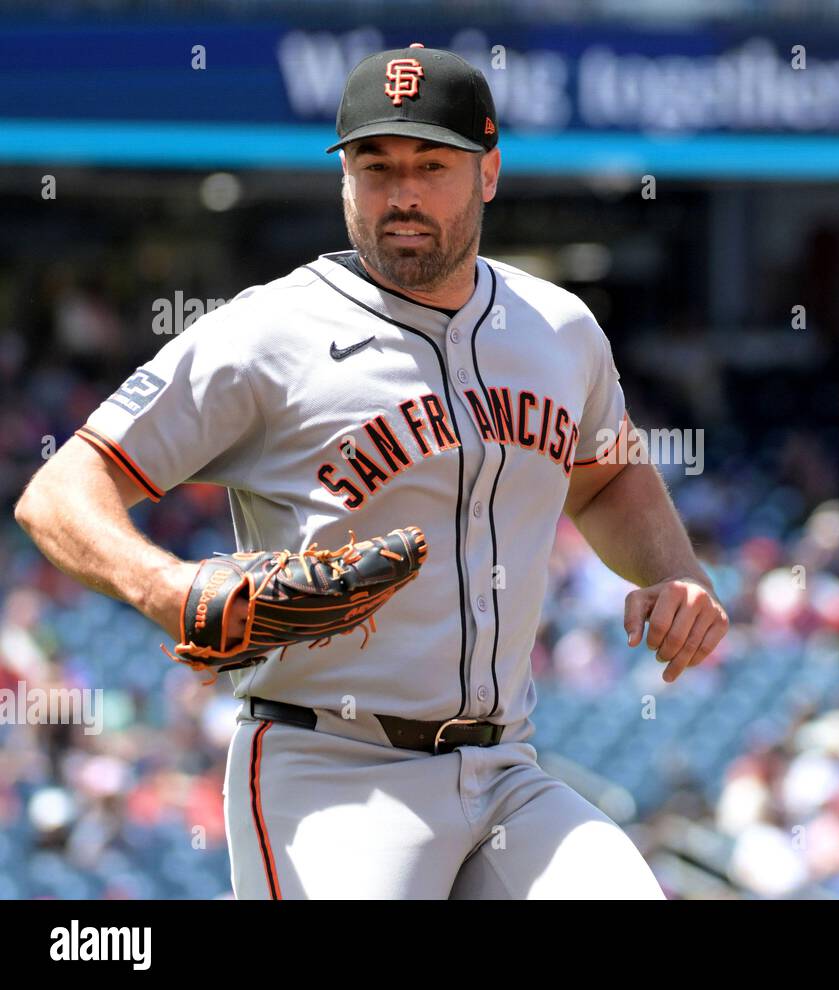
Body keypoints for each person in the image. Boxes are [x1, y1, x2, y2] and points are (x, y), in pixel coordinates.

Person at [13, 44, 729, 899]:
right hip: (330, 769)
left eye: (433, 164)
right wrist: (164, 586)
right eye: (375, 165)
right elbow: (59, 493)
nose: (404, 194)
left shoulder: (559, 327)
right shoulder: (268, 334)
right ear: (344, 179)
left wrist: (676, 573)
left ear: (489, 172)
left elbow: (606, 477)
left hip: (508, 766)